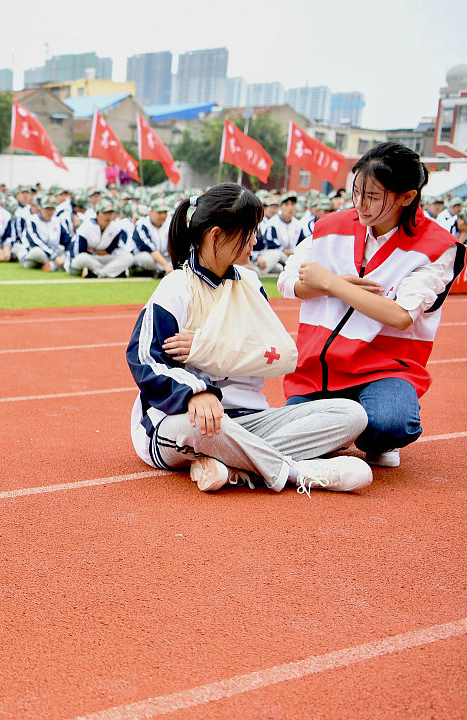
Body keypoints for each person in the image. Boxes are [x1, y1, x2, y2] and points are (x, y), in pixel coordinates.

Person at [126, 183, 373, 494]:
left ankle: (234, 466)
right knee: (204, 428)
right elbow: (146, 361)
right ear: (216, 235)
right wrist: (197, 392)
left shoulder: (251, 284)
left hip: (251, 419)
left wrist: (205, 347)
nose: (256, 240)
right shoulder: (175, 289)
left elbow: (282, 354)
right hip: (187, 420)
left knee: (351, 414)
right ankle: (293, 472)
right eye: (250, 231)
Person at [278, 142, 463, 469]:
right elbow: (287, 282)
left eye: (372, 197)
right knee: (295, 435)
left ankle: (370, 433)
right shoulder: (330, 226)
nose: (360, 205)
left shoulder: (436, 247)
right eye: (356, 192)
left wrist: (332, 283)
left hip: (385, 368)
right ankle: (340, 426)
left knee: (391, 424)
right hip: (321, 369)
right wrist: (319, 283)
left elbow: (402, 315)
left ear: (407, 197)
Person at [71, 199, 136, 277]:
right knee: (83, 258)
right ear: (97, 214)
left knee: (129, 257)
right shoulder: (86, 227)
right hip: (89, 259)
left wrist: (96, 250)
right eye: (105, 213)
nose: (108, 216)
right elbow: (80, 251)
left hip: (104, 259)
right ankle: (113, 272)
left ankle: (98, 273)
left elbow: (111, 250)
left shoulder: (116, 228)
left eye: (110, 213)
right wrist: (97, 252)